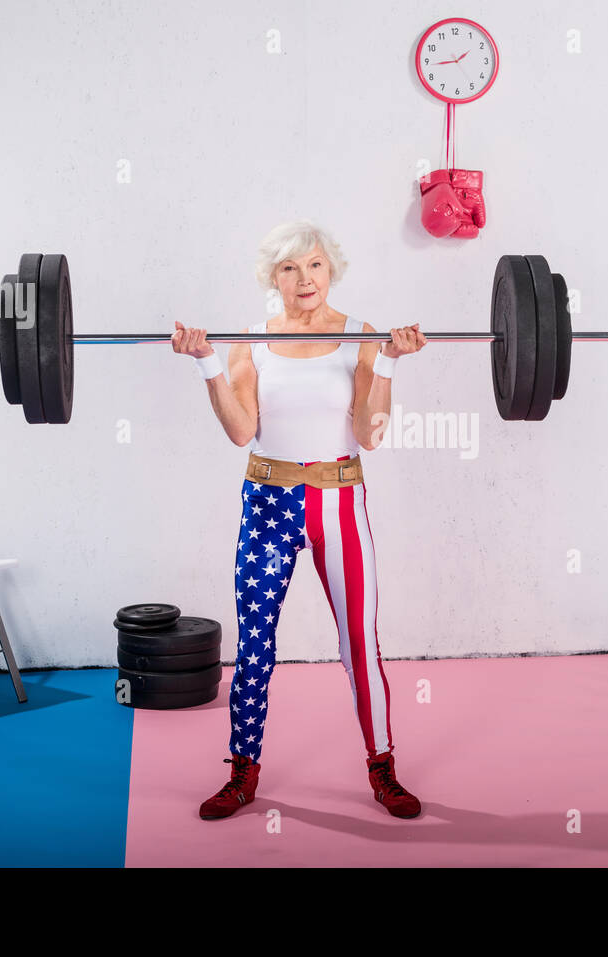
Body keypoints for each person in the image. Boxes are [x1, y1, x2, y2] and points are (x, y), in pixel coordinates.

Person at [170, 220, 427, 820]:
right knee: (256, 643)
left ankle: (383, 768)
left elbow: (371, 434)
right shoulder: (250, 338)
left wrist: (388, 362)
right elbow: (241, 430)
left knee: (359, 640)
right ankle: (242, 772)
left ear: (329, 268)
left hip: (338, 501)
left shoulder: (365, 336)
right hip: (268, 504)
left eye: (313, 265)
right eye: (289, 268)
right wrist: (206, 360)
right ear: (273, 277)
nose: (303, 278)